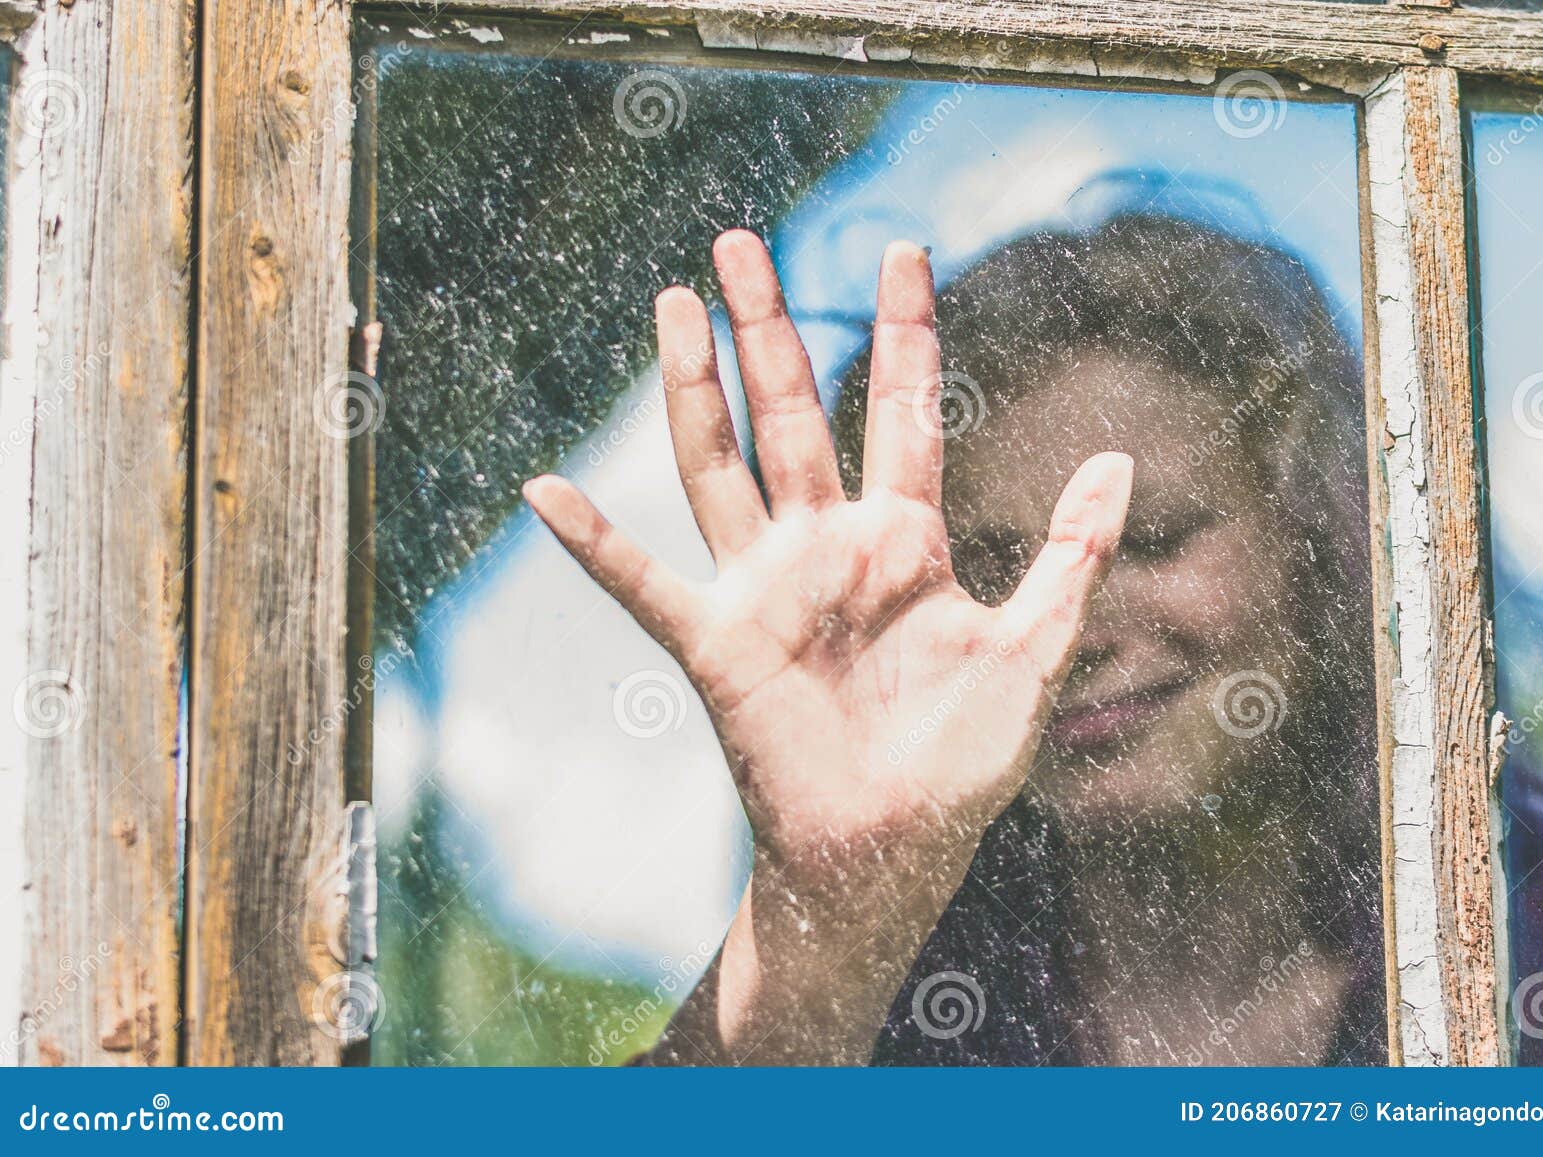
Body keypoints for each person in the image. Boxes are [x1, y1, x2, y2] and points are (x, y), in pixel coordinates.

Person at [523, 217, 1388, 1065]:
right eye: (987, 568)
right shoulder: (916, 999)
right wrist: (827, 928)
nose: (1069, 628)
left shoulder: (1515, 902)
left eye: (1150, 537)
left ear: (1318, 540)